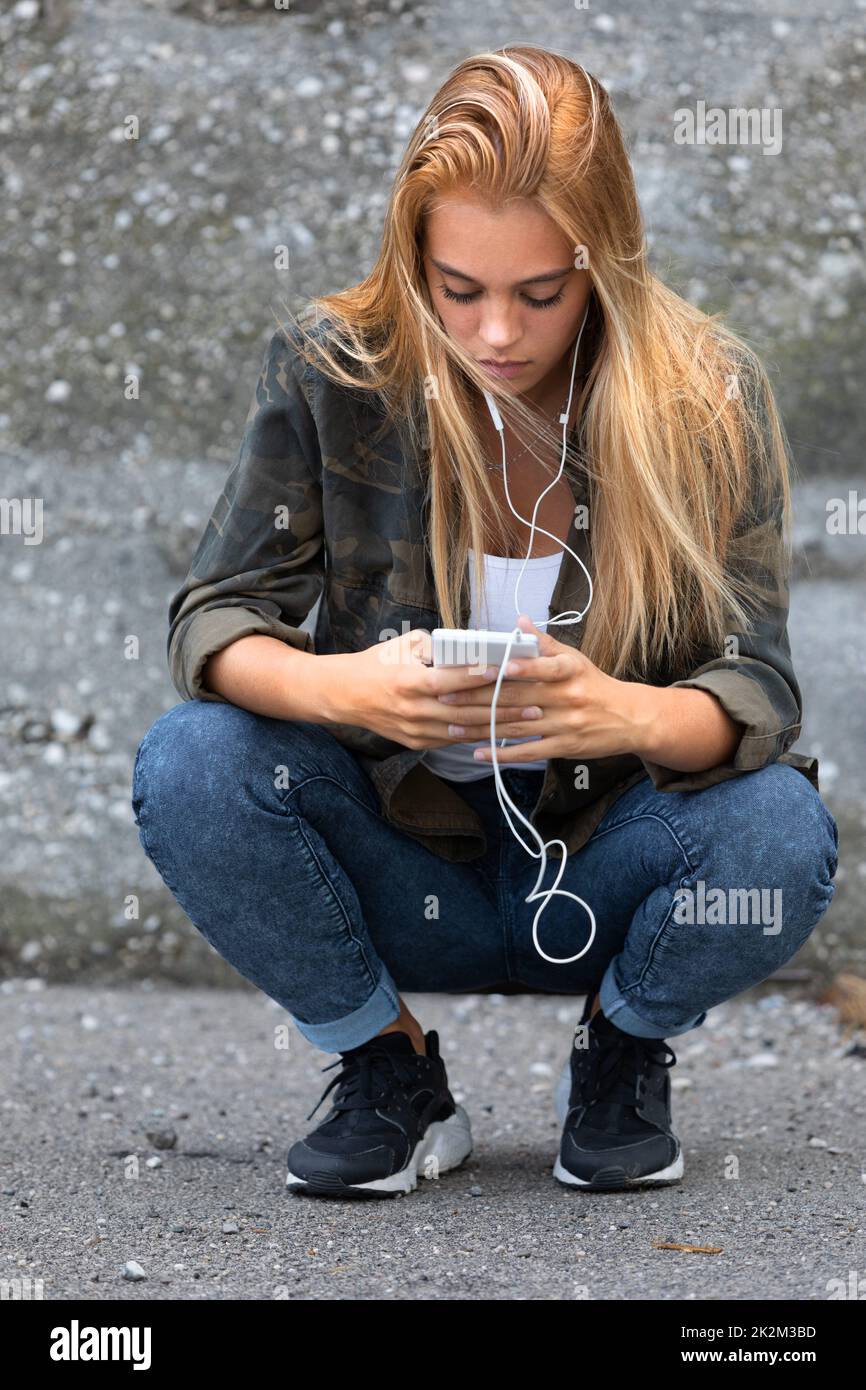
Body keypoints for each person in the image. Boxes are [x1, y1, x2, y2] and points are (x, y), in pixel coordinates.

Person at [131, 46, 838, 1198]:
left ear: (599, 260)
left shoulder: (703, 395)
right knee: (192, 763)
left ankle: (619, 1051)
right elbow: (213, 621)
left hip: (602, 870)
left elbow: (754, 688)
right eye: (458, 290)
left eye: (539, 292)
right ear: (413, 260)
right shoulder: (335, 374)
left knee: (779, 830)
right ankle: (389, 1070)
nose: (496, 332)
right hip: (402, 856)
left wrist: (621, 712)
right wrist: (345, 690)